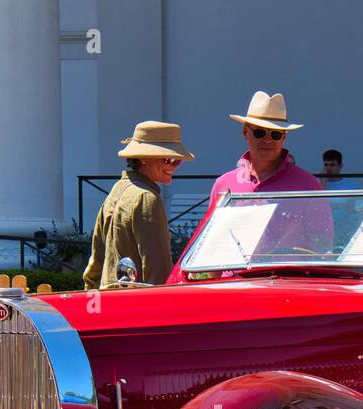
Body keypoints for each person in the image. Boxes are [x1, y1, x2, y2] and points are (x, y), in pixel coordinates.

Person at [207, 90, 332, 254]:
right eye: (259, 132)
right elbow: (212, 245)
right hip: (235, 280)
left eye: (275, 134)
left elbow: (323, 245)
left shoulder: (308, 185)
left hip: (287, 278)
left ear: (284, 137)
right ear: (245, 132)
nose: (267, 140)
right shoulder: (224, 184)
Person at [83, 121, 194, 290]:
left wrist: (91, 300)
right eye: (169, 159)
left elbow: (95, 263)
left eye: (178, 161)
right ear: (143, 158)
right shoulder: (147, 198)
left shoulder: (118, 188)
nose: (174, 166)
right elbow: (158, 271)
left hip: (109, 302)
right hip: (136, 306)